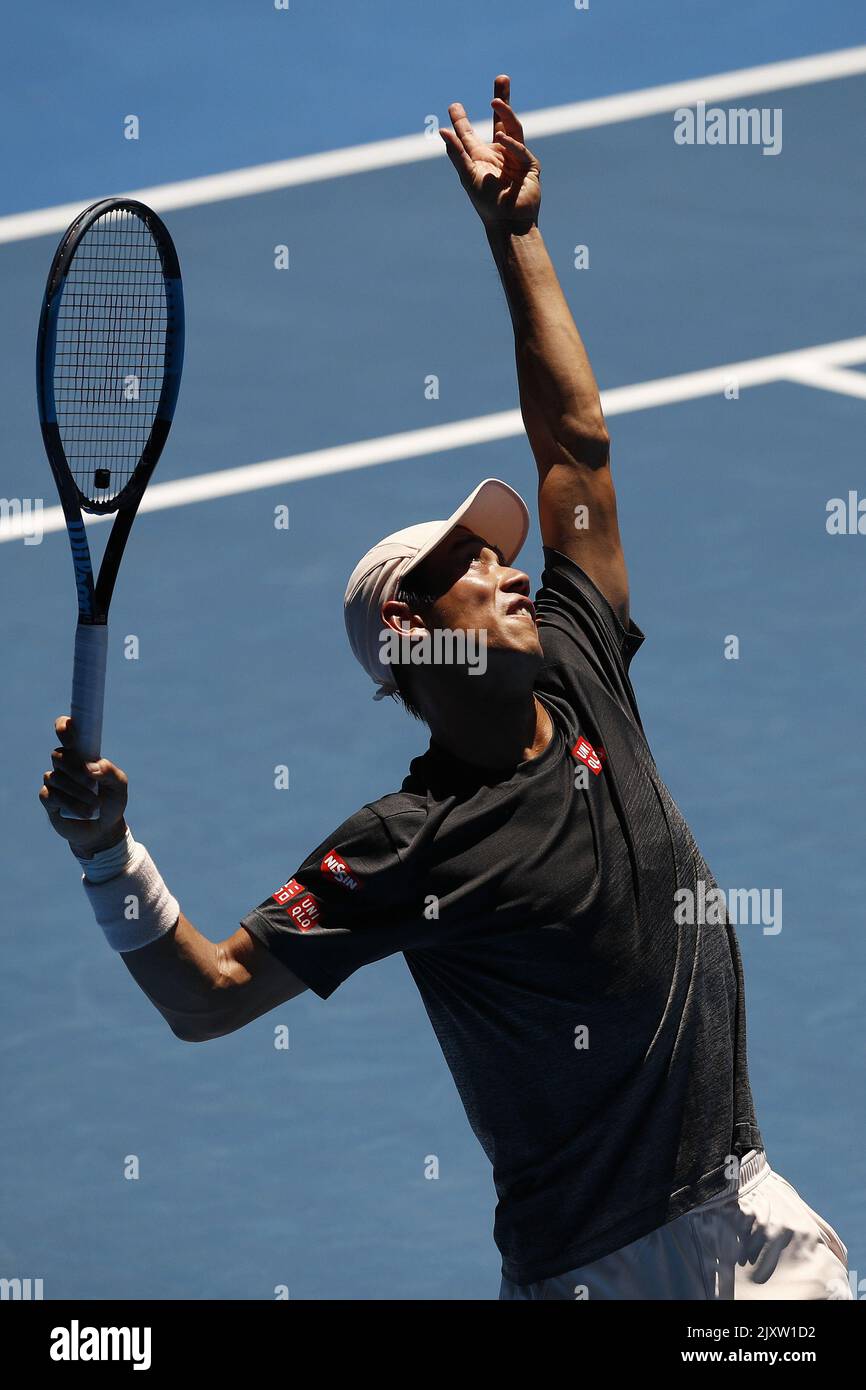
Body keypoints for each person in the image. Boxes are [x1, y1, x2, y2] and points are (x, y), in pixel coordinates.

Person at [40, 76, 852, 1301]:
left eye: (504, 551)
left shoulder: (581, 664)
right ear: (412, 635)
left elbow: (574, 446)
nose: (514, 567)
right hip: (595, 1269)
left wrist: (516, 234)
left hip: (750, 1226)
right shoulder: (405, 847)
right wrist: (109, 856)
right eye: (475, 566)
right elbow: (206, 998)